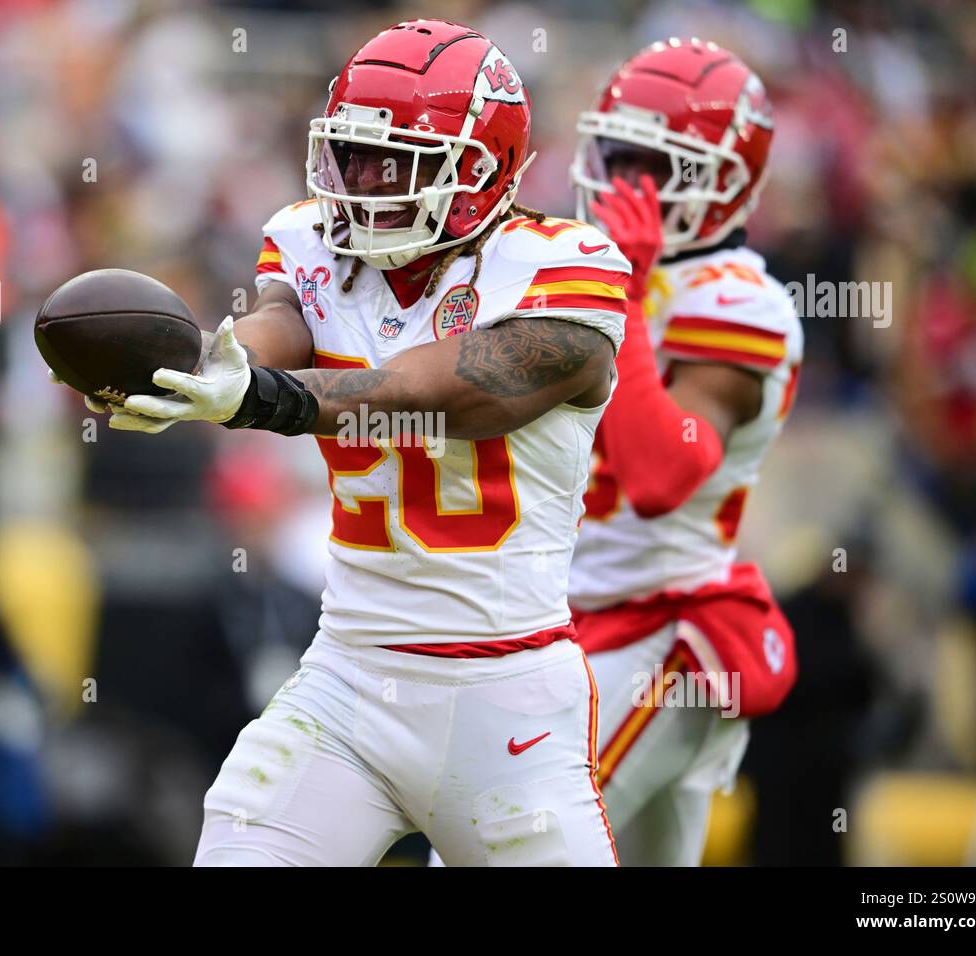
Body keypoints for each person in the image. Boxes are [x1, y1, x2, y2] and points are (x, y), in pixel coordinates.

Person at [69, 19, 632, 866]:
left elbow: (449, 395)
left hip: (504, 694)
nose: (366, 181)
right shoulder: (309, 239)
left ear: (484, 167)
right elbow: (281, 323)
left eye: (398, 158)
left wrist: (267, 400)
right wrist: (200, 370)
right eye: (355, 154)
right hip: (350, 675)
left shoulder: (565, 266)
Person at [565, 38, 803, 865]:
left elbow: (661, 473)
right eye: (618, 154)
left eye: (657, 164)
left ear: (726, 181)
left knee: (505, 836)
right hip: (568, 622)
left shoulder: (739, 304)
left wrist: (625, 298)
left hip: (662, 628)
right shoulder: (583, 263)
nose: (627, 183)